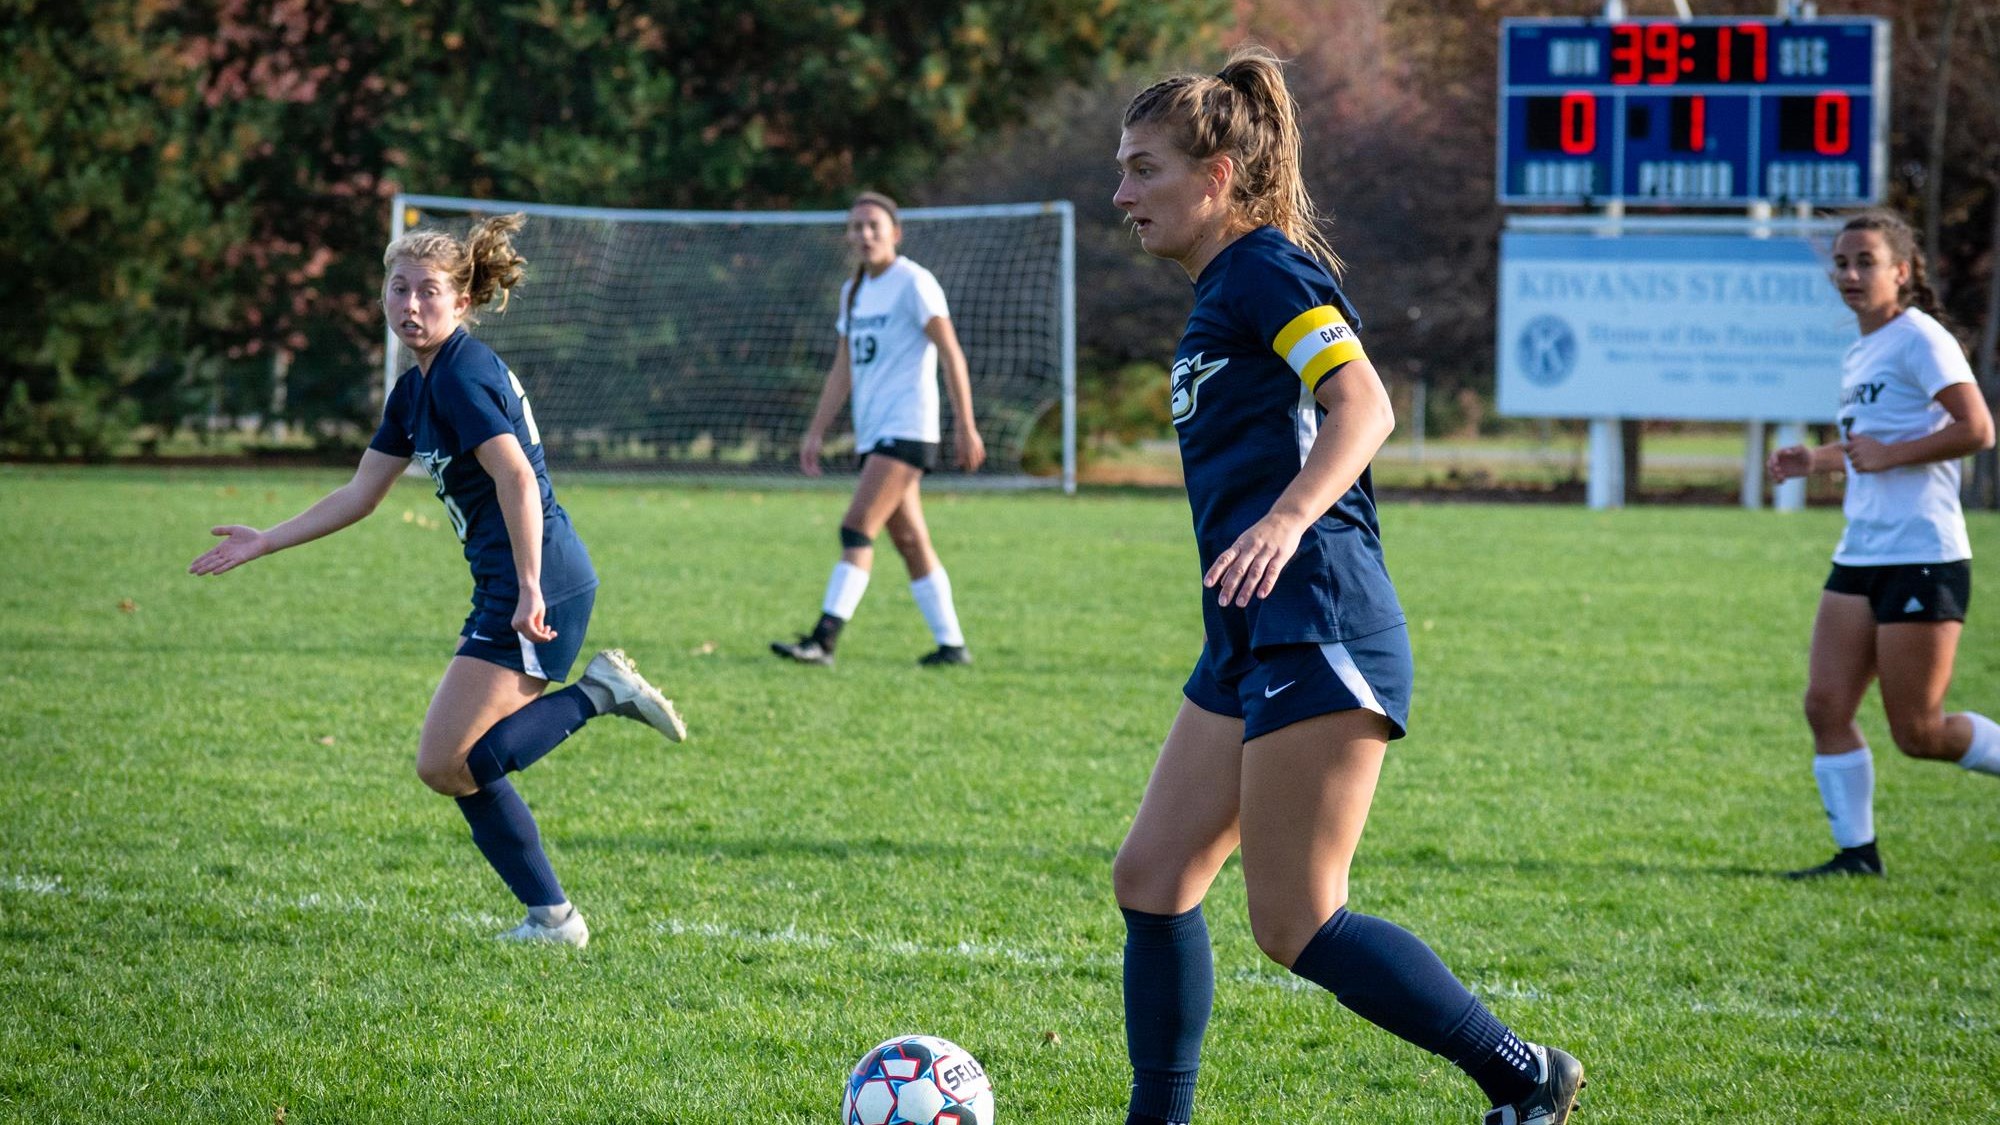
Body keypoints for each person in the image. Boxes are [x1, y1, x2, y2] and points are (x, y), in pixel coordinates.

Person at [1108, 47, 1584, 1125]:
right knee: (1150, 877)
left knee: (1294, 920)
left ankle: (1523, 1076)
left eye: (1141, 170)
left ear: (1217, 174)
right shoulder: (1221, 290)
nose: (1120, 193)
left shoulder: (1267, 267)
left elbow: (1362, 406)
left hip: (1316, 618)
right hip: (1244, 633)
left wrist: (1282, 519)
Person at [189, 215, 687, 947]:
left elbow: (517, 477)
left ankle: (598, 696)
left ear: (460, 302)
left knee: (449, 762)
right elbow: (361, 494)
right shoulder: (414, 389)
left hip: (541, 582)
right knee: (451, 764)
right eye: (398, 289)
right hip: (513, 583)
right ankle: (553, 917)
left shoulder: (460, 373)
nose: (410, 304)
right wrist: (266, 540)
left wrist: (526, 587)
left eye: (428, 291)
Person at [1767, 209, 1999, 879]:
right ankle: (1856, 855)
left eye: (1865, 261)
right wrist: (1815, 459)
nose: (1849, 273)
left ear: (1901, 271)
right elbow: (1873, 444)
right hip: (1861, 551)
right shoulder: (1863, 349)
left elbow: (1977, 429)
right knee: (1826, 704)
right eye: (1841, 262)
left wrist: (1891, 452)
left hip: (1923, 549)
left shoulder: (1919, 338)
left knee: (1919, 731)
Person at [770, 191, 986, 668]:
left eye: (874, 226)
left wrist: (965, 425)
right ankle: (952, 647)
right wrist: (815, 431)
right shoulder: (855, 291)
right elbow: (842, 367)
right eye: (857, 227)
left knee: (855, 527)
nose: (865, 235)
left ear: (895, 233)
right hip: (875, 434)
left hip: (908, 429)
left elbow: (950, 353)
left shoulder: (914, 282)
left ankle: (822, 640)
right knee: (910, 542)